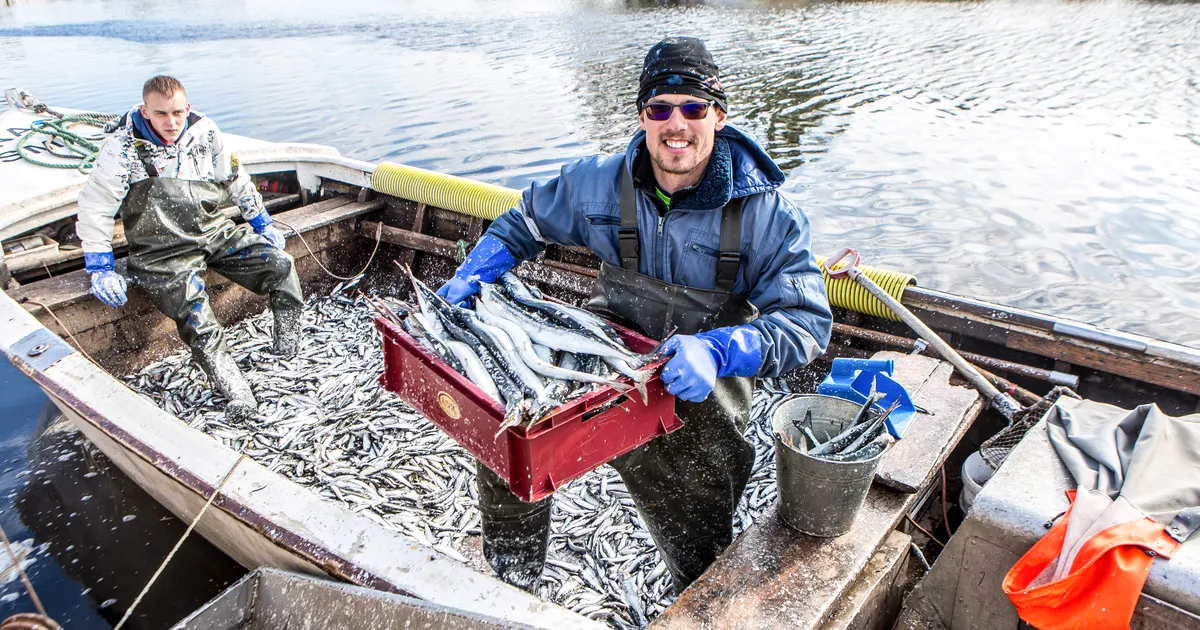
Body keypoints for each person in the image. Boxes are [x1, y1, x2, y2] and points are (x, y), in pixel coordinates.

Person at [437, 37, 834, 594]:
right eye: (661, 108)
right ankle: (511, 576)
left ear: (718, 116)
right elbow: (524, 221)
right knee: (510, 432)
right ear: (643, 116)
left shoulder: (768, 215)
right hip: (599, 359)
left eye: (693, 108)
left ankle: (697, 597)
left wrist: (718, 350)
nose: (677, 124)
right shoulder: (596, 182)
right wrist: (476, 272)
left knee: (700, 522)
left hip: (700, 388)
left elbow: (805, 323)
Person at [76, 75, 303, 419]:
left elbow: (235, 178)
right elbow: (96, 206)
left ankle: (288, 350)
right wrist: (100, 266)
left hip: (212, 232)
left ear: (189, 108)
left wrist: (261, 221)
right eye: (162, 114)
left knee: (281, 265)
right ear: (145, 111)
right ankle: (238, 394)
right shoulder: (121, 148)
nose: (171, 122)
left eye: (178, 113)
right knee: (198, 316)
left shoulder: (206, 132)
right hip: (162, 251)